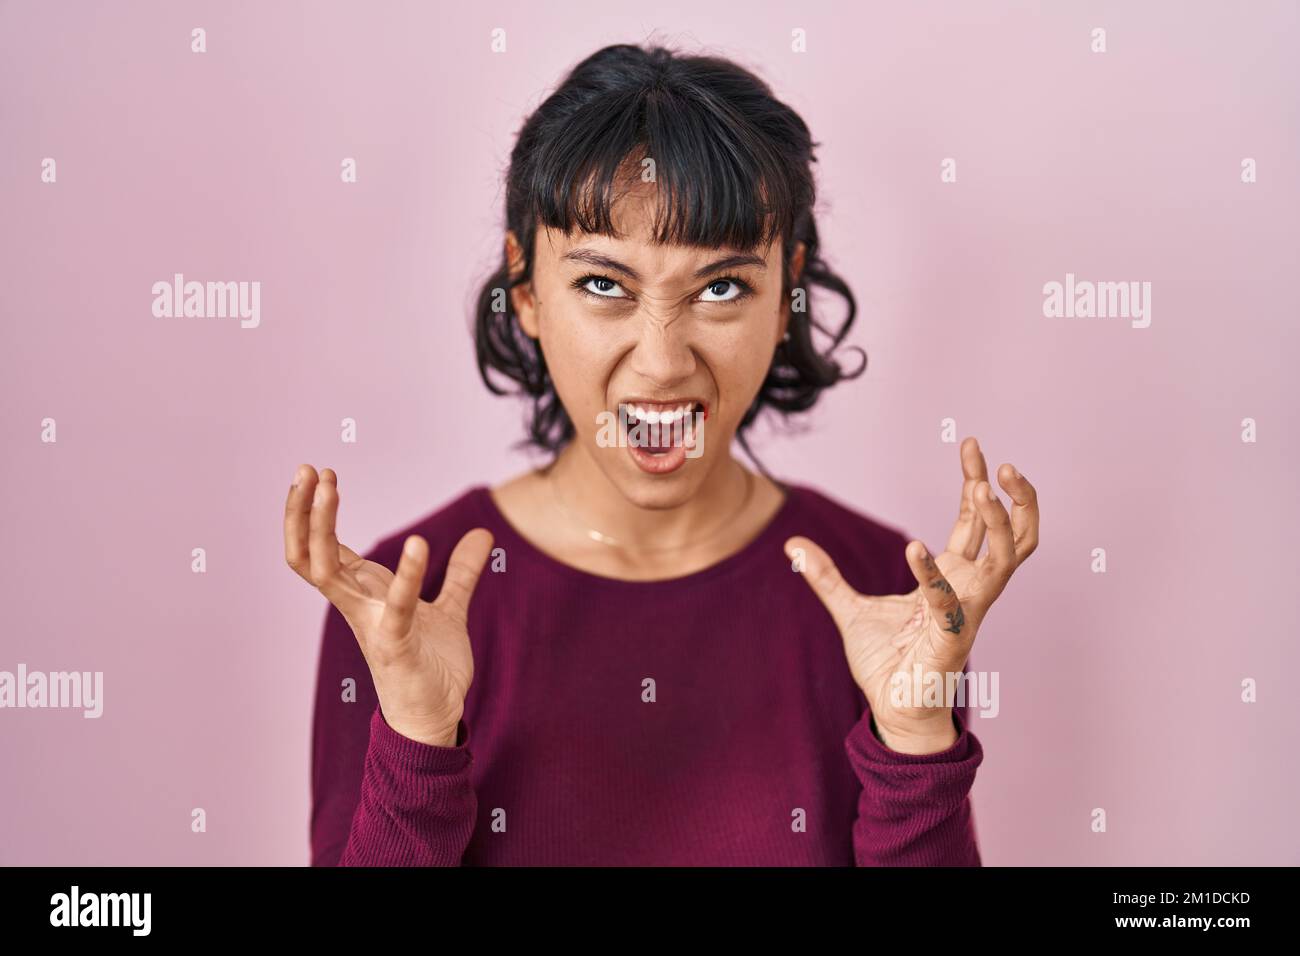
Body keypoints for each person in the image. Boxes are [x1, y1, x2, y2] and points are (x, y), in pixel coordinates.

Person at [285, 43, 1040, 866]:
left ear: (785, 291)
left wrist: (914, 740)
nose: (662, 360)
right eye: (604, 284)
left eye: (721, 288)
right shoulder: (401, 606)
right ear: (528, 290)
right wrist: (418, 744)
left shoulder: (888, 597)